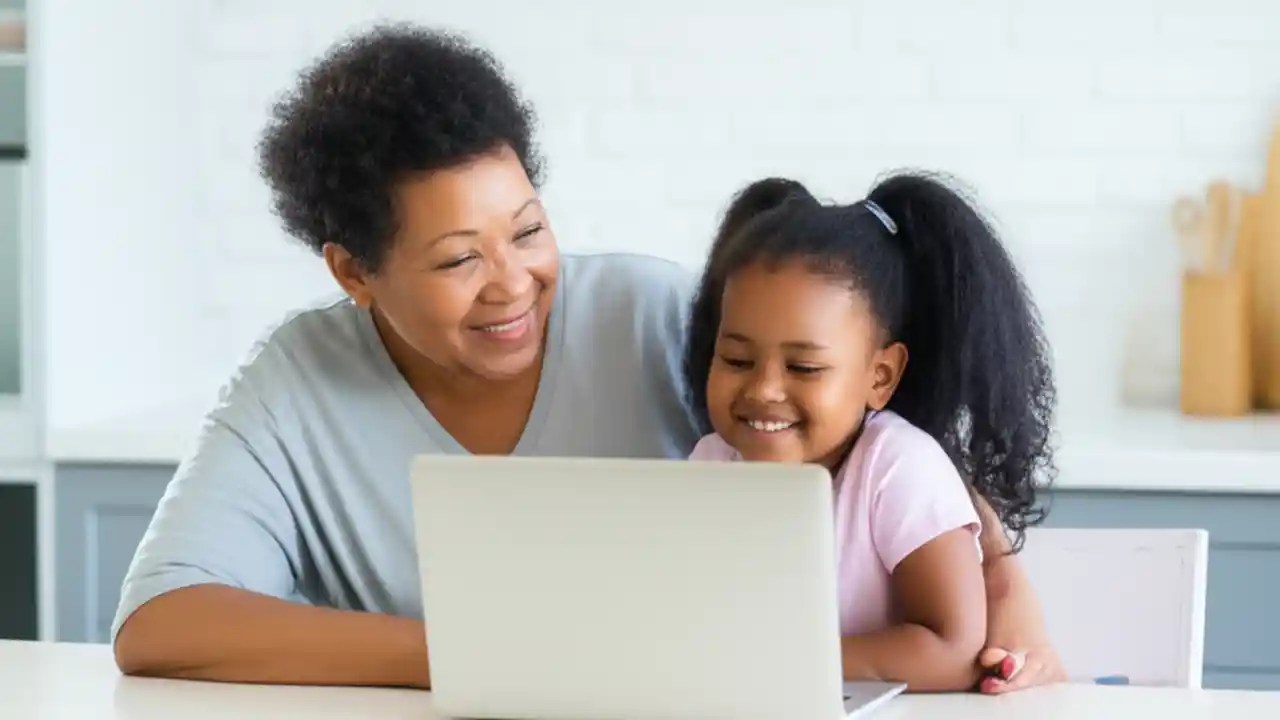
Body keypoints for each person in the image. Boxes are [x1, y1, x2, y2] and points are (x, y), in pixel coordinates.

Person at [111, 24, 1063, 693]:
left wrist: (1002, 575)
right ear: (354, 272)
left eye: (527, 230)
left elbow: (858, 426)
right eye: (456, 259)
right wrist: (489, 656)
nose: (512, 283)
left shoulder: (652, 315)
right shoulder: (295, 382)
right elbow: (160, 625)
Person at [683, 175, 1056, 691]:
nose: (764, 389)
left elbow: (952, 650)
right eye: (737, 359)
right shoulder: (711, 461)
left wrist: (778, 661)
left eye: (804, 368)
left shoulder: (898, 467)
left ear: (879, 377)